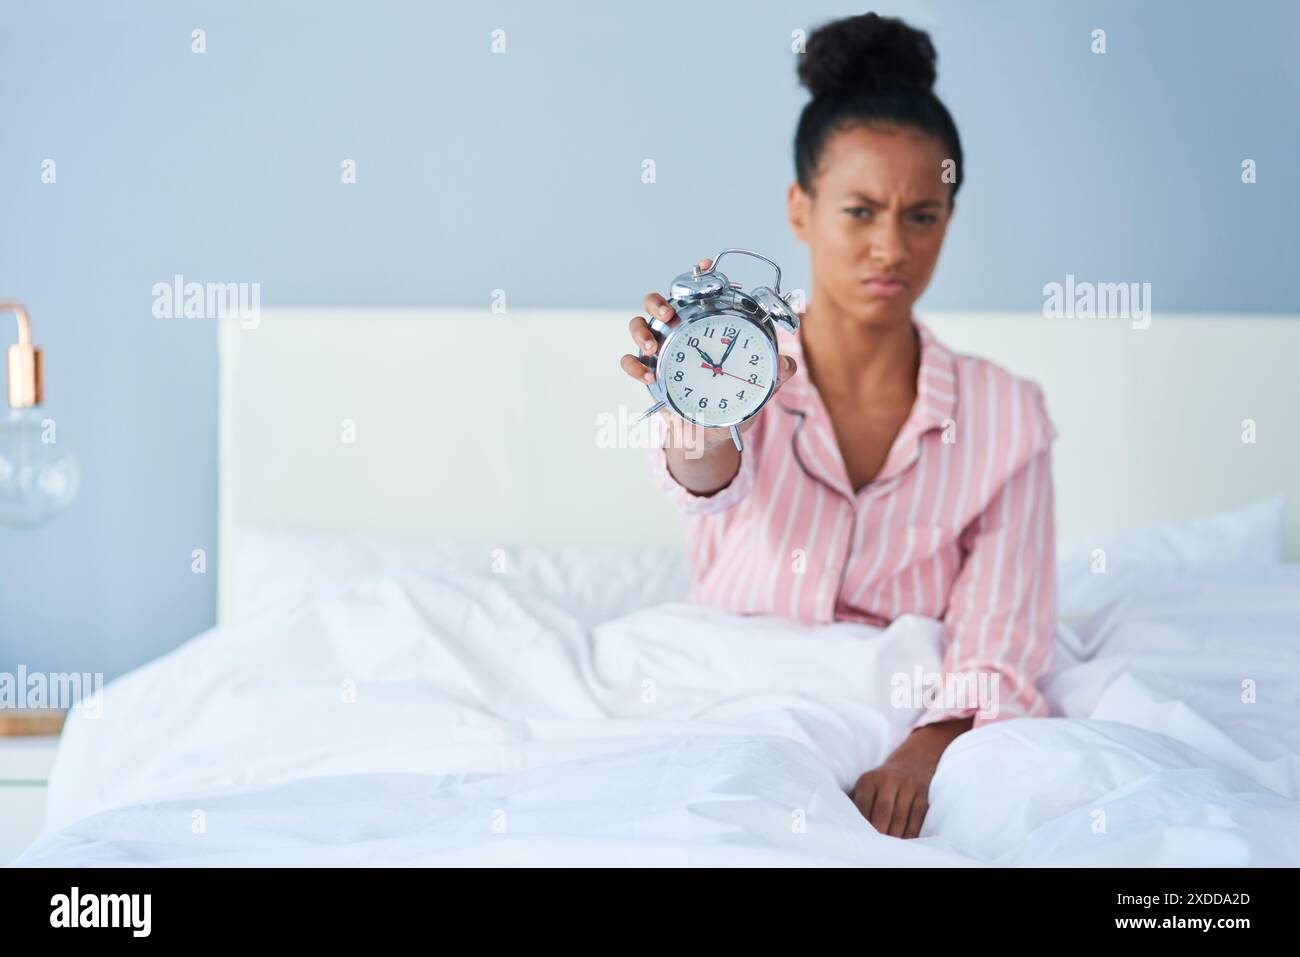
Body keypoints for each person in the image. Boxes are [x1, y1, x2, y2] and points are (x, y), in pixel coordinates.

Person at [618, 12, 1058, 840]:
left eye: (921, 215)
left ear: (947, 219)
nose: (889, 246)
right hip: (724, 696)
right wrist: (696, 412)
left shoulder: (1007, 416)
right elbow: (704, 479)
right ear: (800, 207)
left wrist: (924, 750)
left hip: (892, 719)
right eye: (859, 211)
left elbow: (1005, 630)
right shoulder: (737, 365)